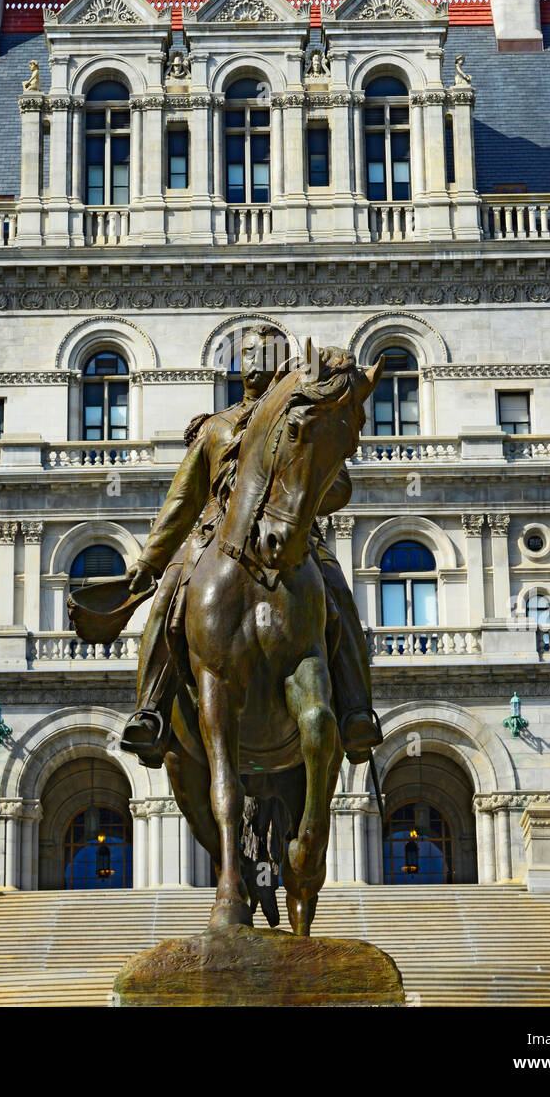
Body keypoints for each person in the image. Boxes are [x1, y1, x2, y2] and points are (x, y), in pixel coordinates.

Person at [120, 325, 382, 768]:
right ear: (237, 364)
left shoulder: (308, 412)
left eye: (268, 353)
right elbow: (183, 499)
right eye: (249, 354)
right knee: (168, 595)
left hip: (295, 539)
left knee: (337, 591)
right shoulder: (215, 428)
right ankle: (150, 710)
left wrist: (307, 479)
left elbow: (336, 487)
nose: (257, 361)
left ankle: (356, 710)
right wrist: (150, 558)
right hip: (214, 537)